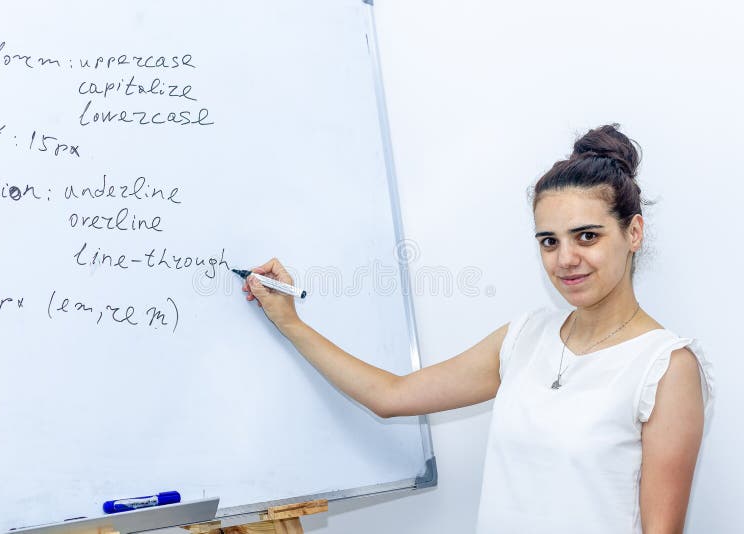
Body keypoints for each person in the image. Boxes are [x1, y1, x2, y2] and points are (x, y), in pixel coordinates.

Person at [240, 124, 714, 533]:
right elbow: (390, 396)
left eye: (587, 236)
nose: (566, 259)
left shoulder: (665, 367)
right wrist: (290, 322)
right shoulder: (525, 337)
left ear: (633, 233)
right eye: (549, 241)